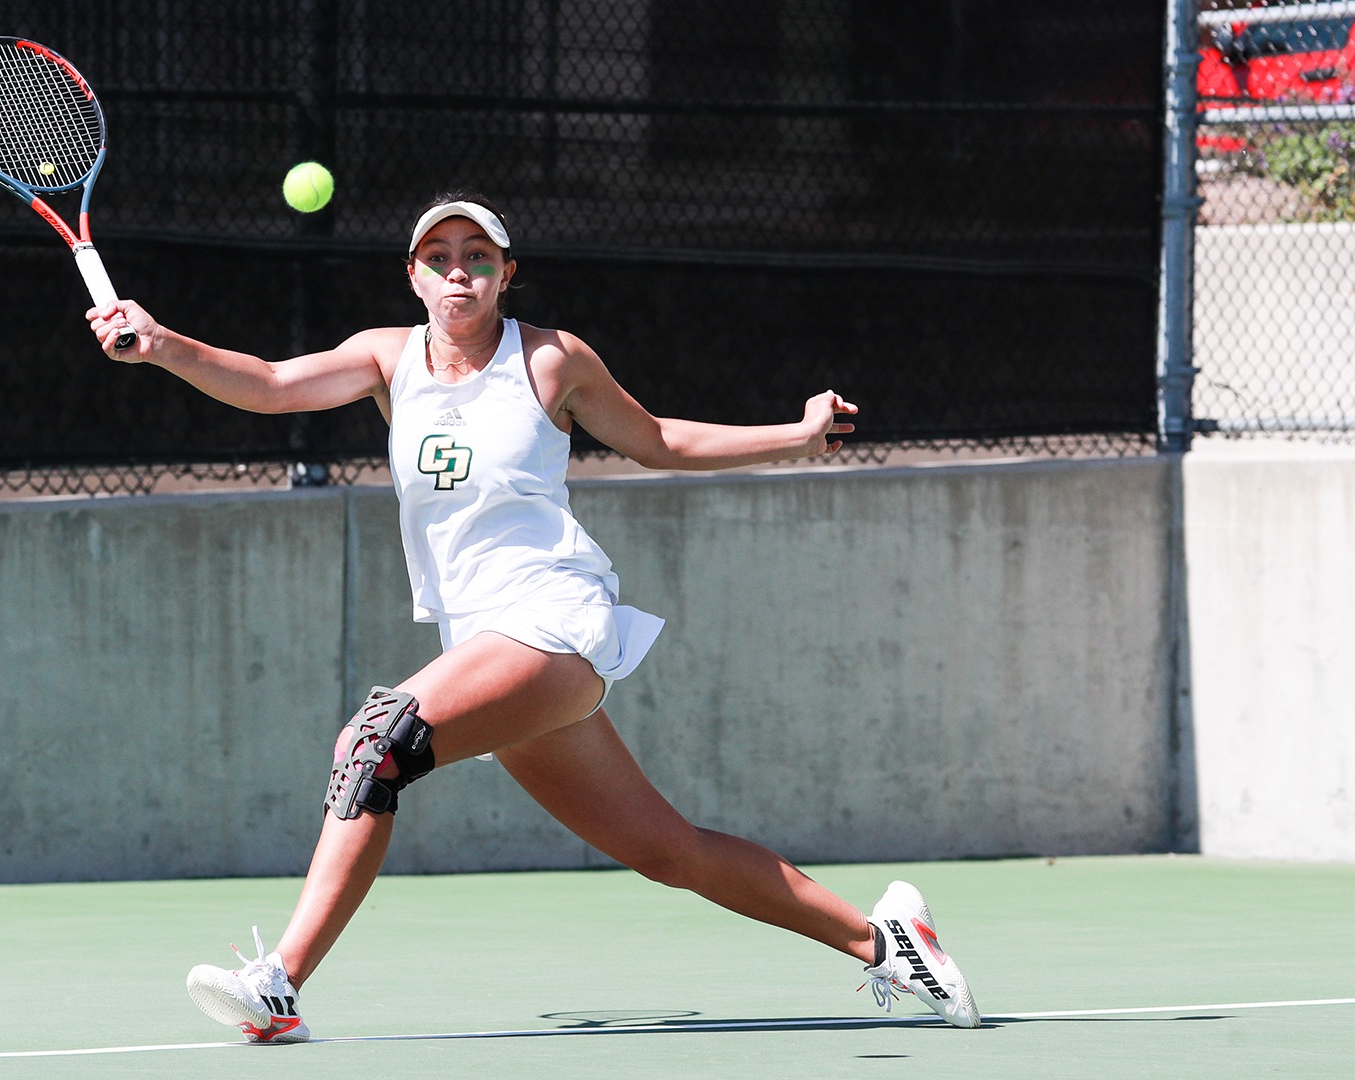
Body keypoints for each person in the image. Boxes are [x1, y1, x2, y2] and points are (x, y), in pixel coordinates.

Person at [85, 193, 980, 1041]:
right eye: (439, 257)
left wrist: (795, 435)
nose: (459, 272)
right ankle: (886, 942)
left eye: (478, 257)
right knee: (667, 851)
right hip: (482, 643)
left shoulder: (552, 359)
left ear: (507, 274)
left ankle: (279, 984)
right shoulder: (387, 359)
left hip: (554, 615)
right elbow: (273, 383)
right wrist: (162, 344)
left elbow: (658, 439)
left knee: (373, 744)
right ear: (412, 276)